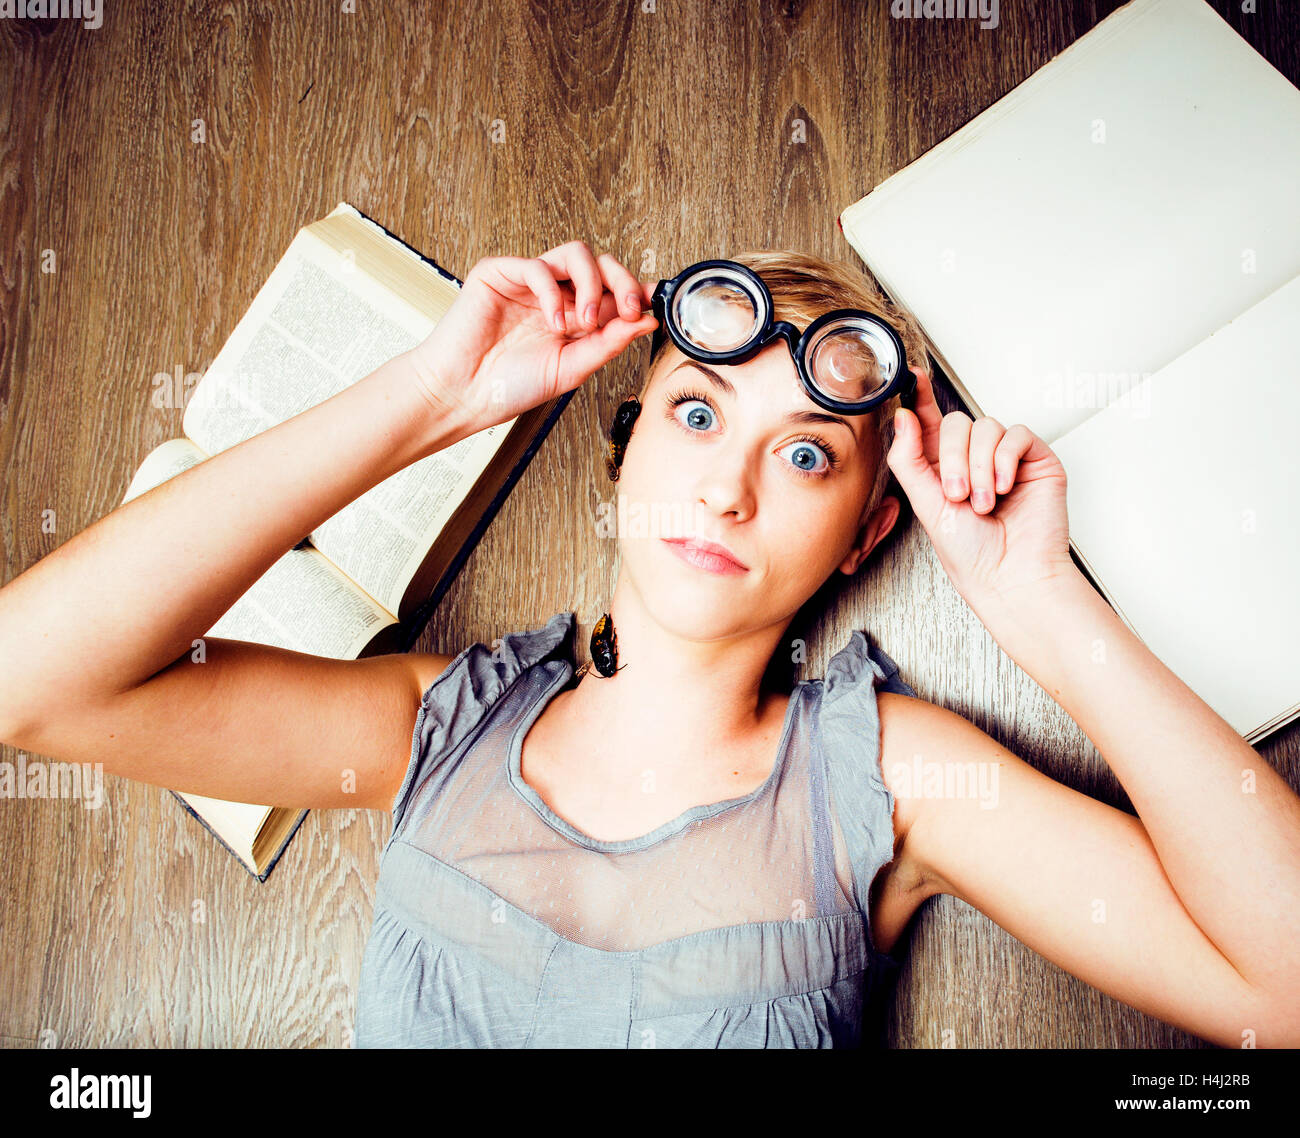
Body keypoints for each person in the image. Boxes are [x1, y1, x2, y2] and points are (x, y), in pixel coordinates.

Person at [1, 241, 1297, 1049]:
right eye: (696, 412)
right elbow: (31, 680)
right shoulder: (437, 728)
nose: (728, 491)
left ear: (864, 535)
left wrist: (1041, 606)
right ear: (624, 458)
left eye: (804, 454)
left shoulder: (887, 779)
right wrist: (430, 399)